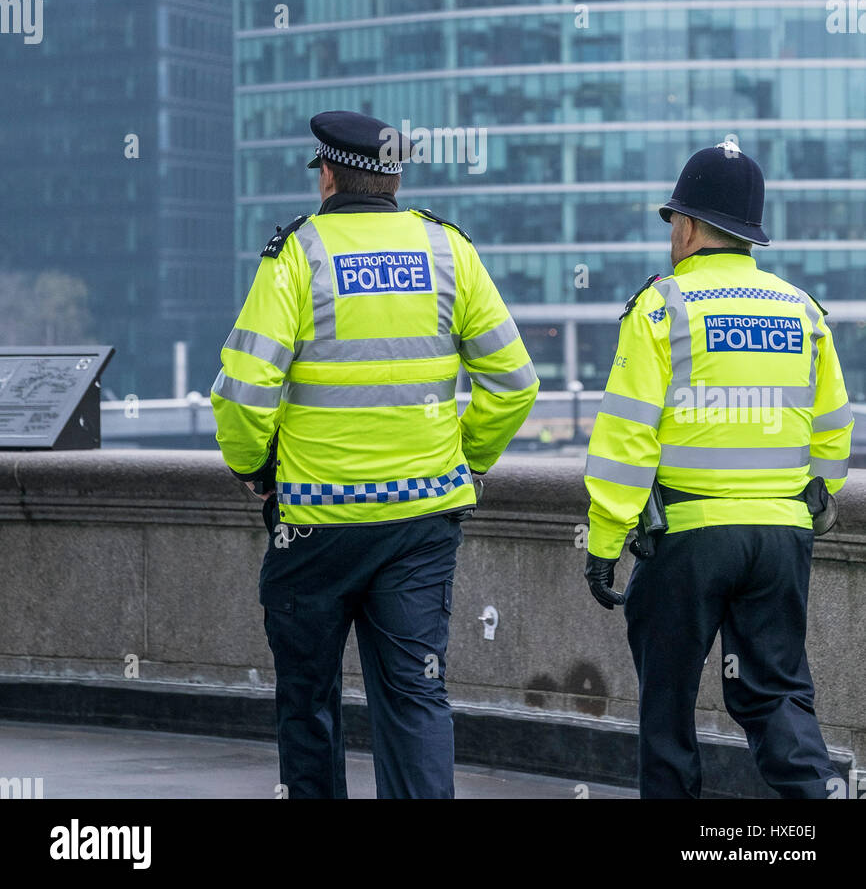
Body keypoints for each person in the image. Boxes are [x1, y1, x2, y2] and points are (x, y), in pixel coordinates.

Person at [212, 109, 538, 799]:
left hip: (315, 526)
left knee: (308, 702)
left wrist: (255, 471)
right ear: (395, 177)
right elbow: (514, 382)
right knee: (416, 698)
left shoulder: (298, 255)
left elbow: (242, 394)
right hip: (420, 525)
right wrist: (468, 462)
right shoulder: (448, 250)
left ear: (327, 175)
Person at [582, 141, 852, 799]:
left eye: (673, 222)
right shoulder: (801, 310)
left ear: (688, 226)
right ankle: (818, 793)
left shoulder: (660, 308)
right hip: (781, 537)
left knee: (667, 707)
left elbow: (626, 439)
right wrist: (815, 497)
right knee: (776, 694)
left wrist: (603, 542)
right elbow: (834, 429)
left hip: (688, 539)